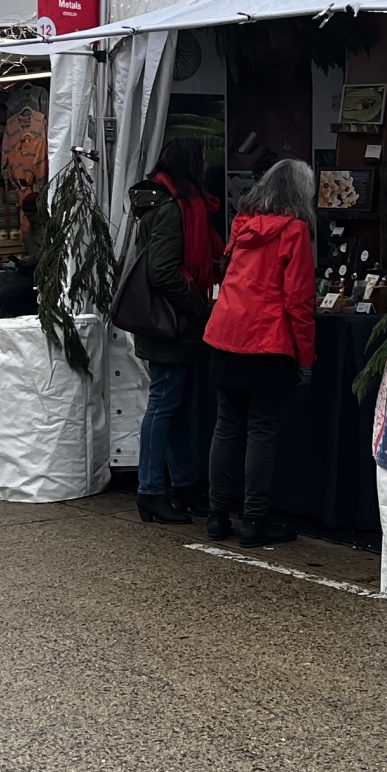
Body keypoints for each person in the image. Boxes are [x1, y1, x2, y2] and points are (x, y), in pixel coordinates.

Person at [200, 158, 317, 549]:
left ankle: (217, 515)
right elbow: (298, 302)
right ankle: (254, 518)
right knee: (261, 430)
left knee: (226, 425)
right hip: (267, 339)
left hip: (226, 334)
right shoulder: (295, 231)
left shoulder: (242, 225)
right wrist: (306, 359)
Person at [125, 138, 217, 526]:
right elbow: (163, 271)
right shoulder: (172, 210)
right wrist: (199, 309)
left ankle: (181, 485)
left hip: (168, 322)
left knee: (173, 404)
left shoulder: (170, 205)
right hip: (172, 323)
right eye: (203, 157)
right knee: (164, 404)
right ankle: (150, 490)